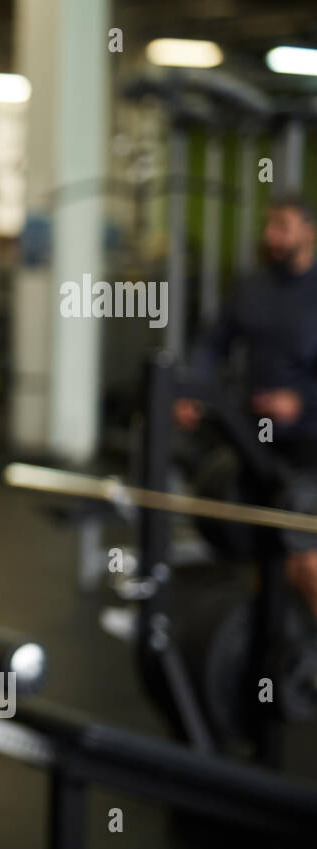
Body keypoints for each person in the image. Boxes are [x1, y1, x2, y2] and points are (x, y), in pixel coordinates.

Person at [174, 193, 317, 619]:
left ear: (309, 232)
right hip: (258, 440)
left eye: (283, 227)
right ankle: (273, 659)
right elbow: (213, 343)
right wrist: (192, 392)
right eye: (269, 226)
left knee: (306, 561)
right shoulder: (251, 287)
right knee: (262, 551)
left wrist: (303, 400)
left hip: (311, 441)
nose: (272, 236)